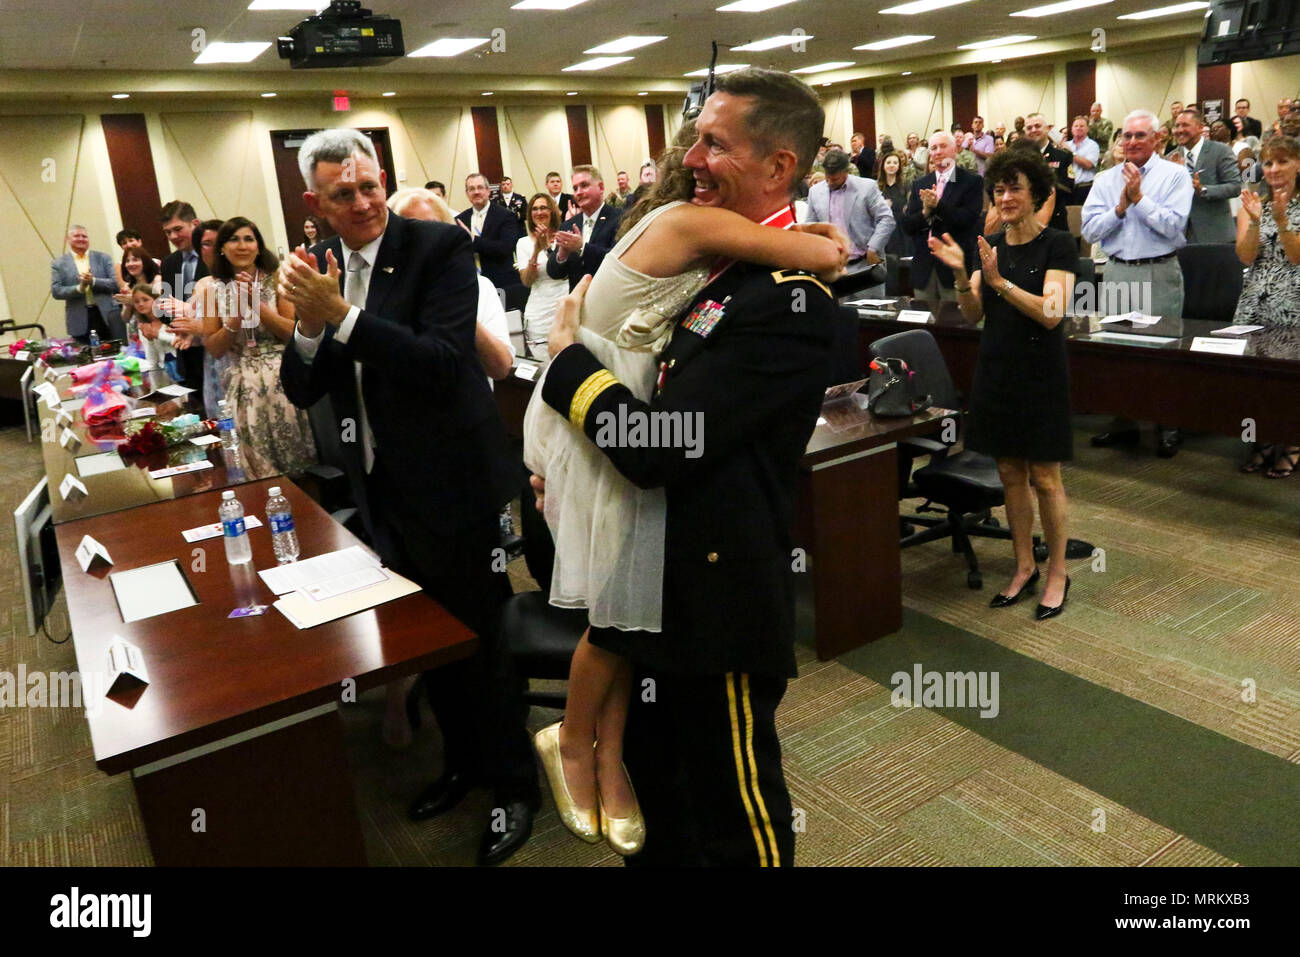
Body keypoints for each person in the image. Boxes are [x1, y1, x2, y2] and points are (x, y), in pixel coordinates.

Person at [530, 67, 845, 866]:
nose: (693, 156)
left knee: (733, 820)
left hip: (719, 606)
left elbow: (660, 444)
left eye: (716, 142)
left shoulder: (788, 298)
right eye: (695, 137)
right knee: (664, 799)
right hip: (659, 587)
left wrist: (566, 368)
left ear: (778, 167)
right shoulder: (713, 267)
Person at [277, 128, 537, 866]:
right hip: (385, 491)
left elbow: (440, 362)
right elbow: (305, 388)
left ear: (382, 178)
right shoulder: (327, 268)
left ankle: (516, 785)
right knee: (432, 639)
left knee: (483, 642)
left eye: (368, 187)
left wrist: (346, 317)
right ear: (313, 202)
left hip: (455, 485)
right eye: (342, 194)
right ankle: (462, 764)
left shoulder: (436, 249)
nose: (361, 203)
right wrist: (310, 324)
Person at [929, 148, 1077, 620]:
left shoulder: (1057, 244)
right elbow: (972, 314)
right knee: (1011, 473)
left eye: (1015, 188)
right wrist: (960, 272)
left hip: (1040, 373)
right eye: (998, 190)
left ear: (1036, 194)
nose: (1006, 197)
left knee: (1045, 478)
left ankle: (1057, 571)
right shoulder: (989, 243)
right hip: (995, 371)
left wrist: (998, 282)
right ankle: (1023, 565)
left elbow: (1052, 315)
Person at [1082, 109, 1193, 458]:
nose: (1131, 142)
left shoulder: (1176, 176)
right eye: (1126, 136)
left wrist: (1140, 199)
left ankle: (1167, 425)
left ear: (1158, 139)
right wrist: (1119, 208)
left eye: (1139, 136)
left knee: (1163, 355)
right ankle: (1124, 423)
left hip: (1158, 271)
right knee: (1119, 354)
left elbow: (1173, 226)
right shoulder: (1105, 179)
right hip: (1118, 271)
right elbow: (1089, 230)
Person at [197, 218, 317, 476]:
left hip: (282, 379)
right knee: (254, 465)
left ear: (259, 247)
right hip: (242, 384)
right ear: (222, 248)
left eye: (249, 239)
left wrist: (257, 306)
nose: (242, 246)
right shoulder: (211, 289)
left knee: (297, 461)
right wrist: (236, 319)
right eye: (234, 239)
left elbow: (292, 333)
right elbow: (214, 348)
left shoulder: (277, 281)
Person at [1234, 135, 1300, 477]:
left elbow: (1296, 256)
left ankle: (1290, 443)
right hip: (1256, 299)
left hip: (1293, 301)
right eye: (1268, 162)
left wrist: (1284, 221)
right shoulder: (1251, 201)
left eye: (1282, 161)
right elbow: (1245, 255)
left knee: (1288, 381)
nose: (1273, 169)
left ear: (1298, 164)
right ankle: (1258, 441)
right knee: (1254, 380)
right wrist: (1258, 220)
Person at [901, 131, 984, 301]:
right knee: (923, 322)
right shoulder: (920, 183)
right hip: (924, 267)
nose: (938, 151)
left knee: (954, 323)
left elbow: (968, 220)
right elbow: (908, 226)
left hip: (953, 268)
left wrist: (938, 206)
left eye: (943, 146)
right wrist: (925, 212)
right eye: (934, 148)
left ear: (954, 150)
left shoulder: (970, 182)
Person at [805, 148, 894, 296]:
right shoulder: (815, 192)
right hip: (832, 270)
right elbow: (810, 228)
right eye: (827, 177)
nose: (829, 182)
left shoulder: (867, 187)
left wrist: (873, 247)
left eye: (835, 179)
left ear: (846, 172)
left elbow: (886, 219)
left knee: (869, 316)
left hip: (865, 266)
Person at [157, 201, 209, 402]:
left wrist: (193, 320)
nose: (173, 237)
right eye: (168, 232)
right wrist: (179, 327)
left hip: (215, 347)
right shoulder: (170, 263)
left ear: (194, 224)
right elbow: (166, 306)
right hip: (187, 353)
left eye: (178, 229)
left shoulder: (214, 256)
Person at [546, 165, 622, 290]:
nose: (579, 192)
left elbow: (619, 260)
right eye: (575, 188)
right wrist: (562, 255)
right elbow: (554, 273)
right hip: (577, 302)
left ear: (601, 187)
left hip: (610, 296)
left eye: (584, 185)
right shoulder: (568, 225)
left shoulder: (620, 218)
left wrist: (582, 248)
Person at [1174, 108, 1241, 244]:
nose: (1179, 130)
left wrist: (1203, 189)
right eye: (1177, 126)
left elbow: (1234, 187)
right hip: (1182, 237)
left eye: (1185, 125)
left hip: (1216, 235)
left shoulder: (1221, 151)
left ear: (1200, 127)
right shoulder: (1172, 157)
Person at [515, 192, 568, 356]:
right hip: (540, 315)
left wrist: (548, 247)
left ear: (552, 211)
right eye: (535, 209)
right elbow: (527, 281)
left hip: (567, 312)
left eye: (543, 207)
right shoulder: (523, 243)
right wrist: (536, 251)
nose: (539, 212)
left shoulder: (564, 236)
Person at [51, 226, 121, 343]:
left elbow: (115, 284)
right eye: (76, 236)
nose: (81, 239)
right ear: (68, 239)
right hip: (79, 318)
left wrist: (93, 281)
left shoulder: (103, 258)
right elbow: (56, 291)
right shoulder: (59, 263)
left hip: (106, 315)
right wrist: (79, 288)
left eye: (84, 236)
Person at [455, 172, 523, 289]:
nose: (476, 192)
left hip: (501, 282)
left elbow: (506, 248)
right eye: (471, 189)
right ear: (467, 193)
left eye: (480, 187)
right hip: (471, 284)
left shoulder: (506, 216)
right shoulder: (460, 220)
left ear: (488, 191)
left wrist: (473, 240)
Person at [878, 150, 913, 257]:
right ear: (883, 165)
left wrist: (908, 207)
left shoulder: (906, 185)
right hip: (884, 231)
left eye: (895, 163)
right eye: (888, 163)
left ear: (899, 166)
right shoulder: (876, 187)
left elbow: (911, 207)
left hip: (902, 230)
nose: (892, 165)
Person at [1062, 115, 1099, 207]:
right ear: (1072, 129)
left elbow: (1088, 164)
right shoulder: (1065, 144)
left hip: (1085, 189)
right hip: (1067, 189)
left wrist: (1070, 152)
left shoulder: (1093, 145)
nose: (1078, 128)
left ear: (1087, 129)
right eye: (1076, 126)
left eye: (1082, 126)